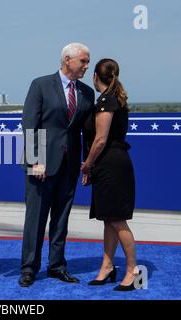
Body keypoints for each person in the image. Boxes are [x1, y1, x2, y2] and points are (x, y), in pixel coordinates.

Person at [19, 43, 95, 287]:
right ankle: (29, 268)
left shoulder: (86, 92)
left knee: (61, 218)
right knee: (35, 219)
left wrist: (87, 163)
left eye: (87, 61)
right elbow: (29, 124)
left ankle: (57, 266)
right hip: (39, 164)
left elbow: (86, 131)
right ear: (67, 60)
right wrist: (35, 160)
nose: (86, 66)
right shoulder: (40, 84)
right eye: (83, 61)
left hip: (70, 165)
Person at [81, 58, 138, 291]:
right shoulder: (114, 98)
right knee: (108, 218)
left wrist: (87, 164)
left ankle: (132, 271)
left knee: (116, 219)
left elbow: (101, 139)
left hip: (111, 165)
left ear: (96, 76)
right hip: (109, 165)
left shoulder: (106, 101)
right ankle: (107, 267)